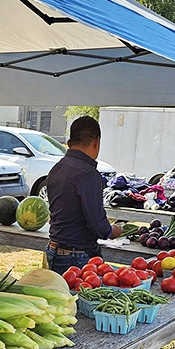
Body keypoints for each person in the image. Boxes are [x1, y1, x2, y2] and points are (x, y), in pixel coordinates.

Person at [45, 115, 122, 275]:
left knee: (63, 299)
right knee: (78, 300)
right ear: (97, 142)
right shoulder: (89, 174)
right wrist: (112, 231)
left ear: (69, 143)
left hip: (54, 249)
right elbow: (96, 223)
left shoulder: (56, 169)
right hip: (76, 256)